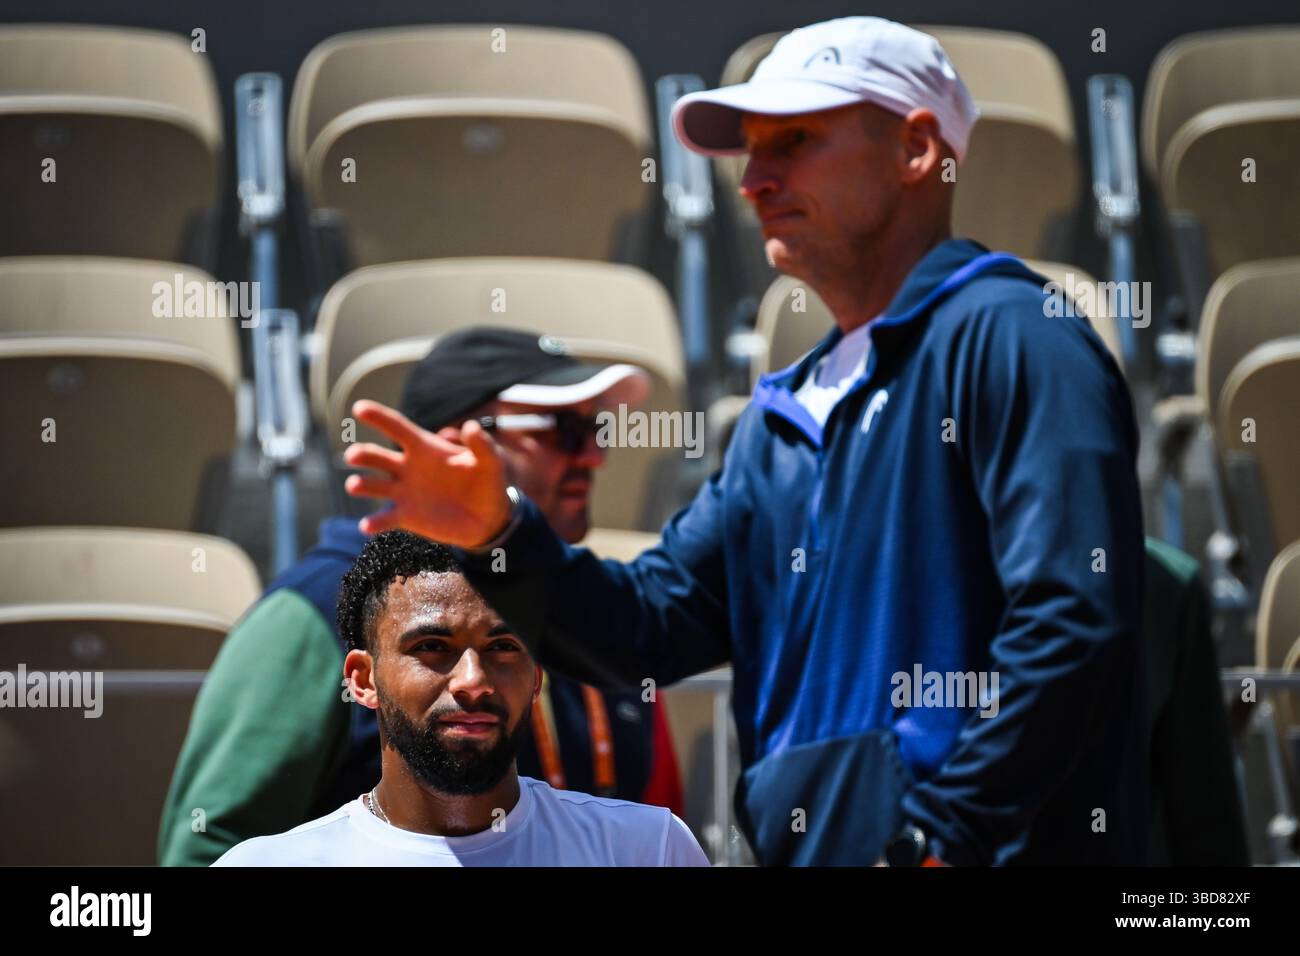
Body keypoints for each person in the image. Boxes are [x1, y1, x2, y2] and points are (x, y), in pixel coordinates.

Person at [342, 17, 1148, 866]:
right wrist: (499, 534)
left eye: (794, 141)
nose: (753, 180)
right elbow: (648, 629)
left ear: (917, 150)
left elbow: (1073, 621)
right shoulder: (782, 413)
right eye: (751, 152)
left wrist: (941, 839)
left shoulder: (1016, 335)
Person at [159, 328, 684, 866]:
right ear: (455, 448)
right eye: (564, 430)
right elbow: (208, 842)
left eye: (598, 428)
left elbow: (650, 817)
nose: (594, 457)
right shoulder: (316, 607)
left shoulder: (596, 606)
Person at [214, 531, 707, 866]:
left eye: (502, 648)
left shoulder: (648, 849)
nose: (473, 680)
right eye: (432, 648)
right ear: (363, 680)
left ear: (536, 676)